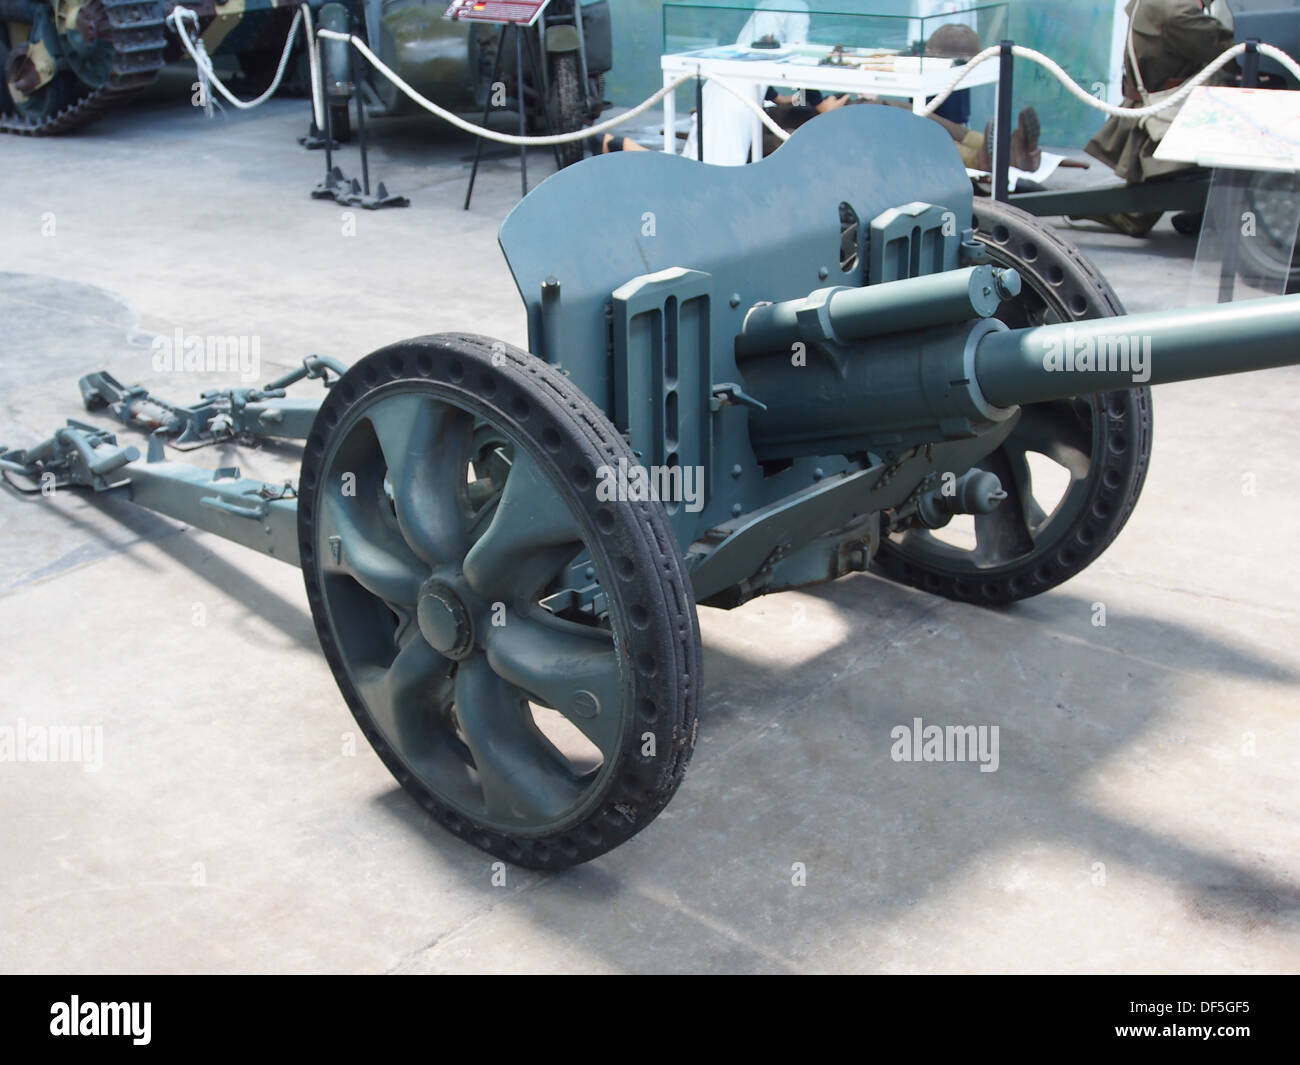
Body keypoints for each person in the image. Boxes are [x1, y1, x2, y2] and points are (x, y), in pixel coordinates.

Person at [1079, 0, 1237, 236]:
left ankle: (1207, 210)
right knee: (1135, 217)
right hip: (1165, 118)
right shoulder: (1177, 10)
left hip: (1161, 107)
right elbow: (1232, 49)